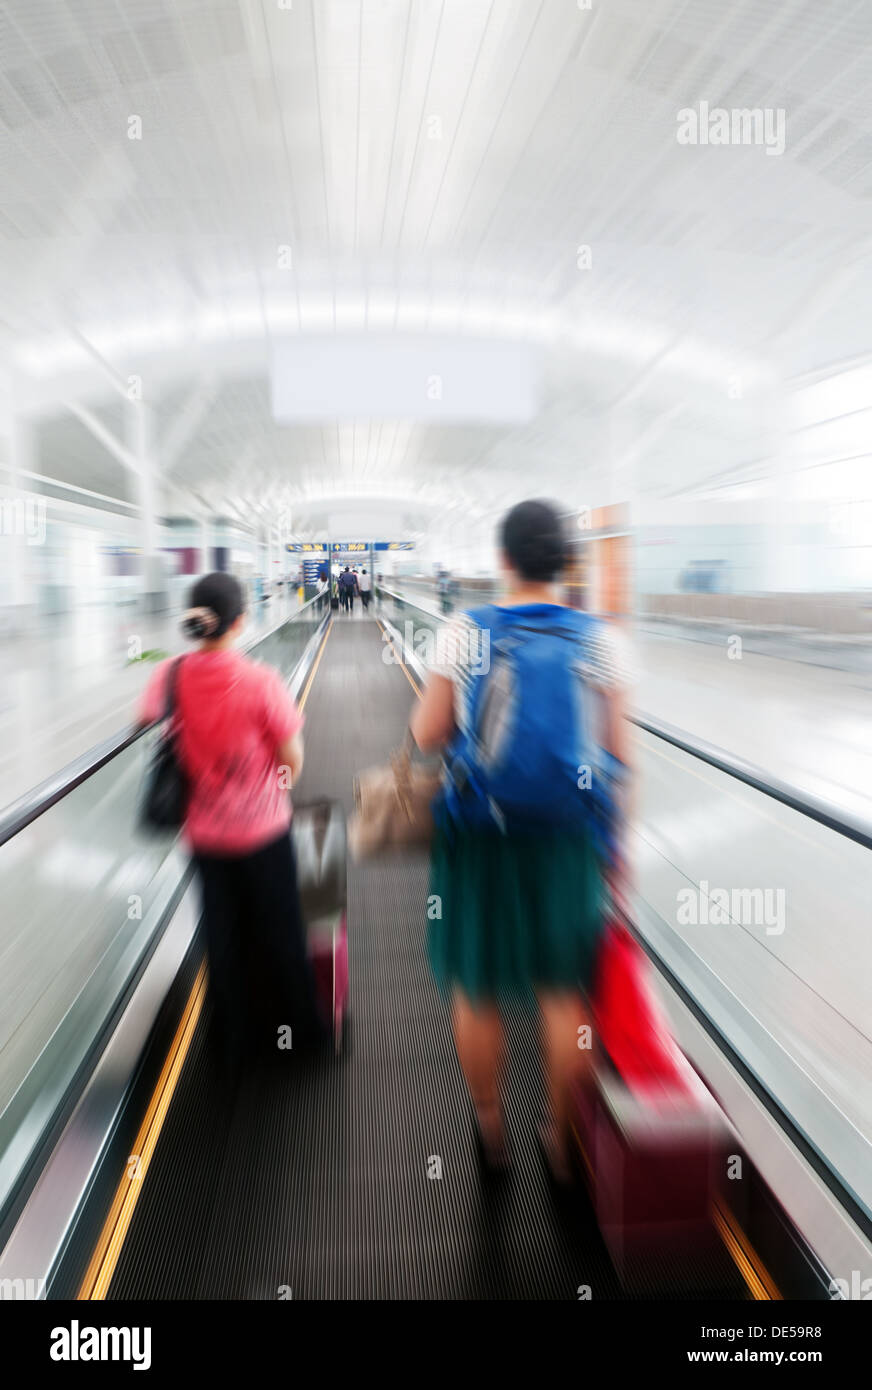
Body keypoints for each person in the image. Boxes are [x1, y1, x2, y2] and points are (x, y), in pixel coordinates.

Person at [410, 500, 631, 1181]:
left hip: (480, 835)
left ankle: (490, 1129)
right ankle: (563, 1145)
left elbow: (427, 734)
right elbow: (619, 753)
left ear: (503, 561)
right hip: (568, 838)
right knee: (564, 990)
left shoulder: (465, 631)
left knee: (476, 985)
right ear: (567, 560)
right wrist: (617, 852)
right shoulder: (598, 640)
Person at [138, 572, 325, 1077]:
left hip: (204, 837)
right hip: (264, 832)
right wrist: (273, 791)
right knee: (282, 928)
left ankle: (233, 1042)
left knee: (221, 937)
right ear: (241, 622)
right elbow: (292, 758)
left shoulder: (170, 676)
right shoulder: (261, 681)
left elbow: (146, 717)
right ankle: (300, 1033)